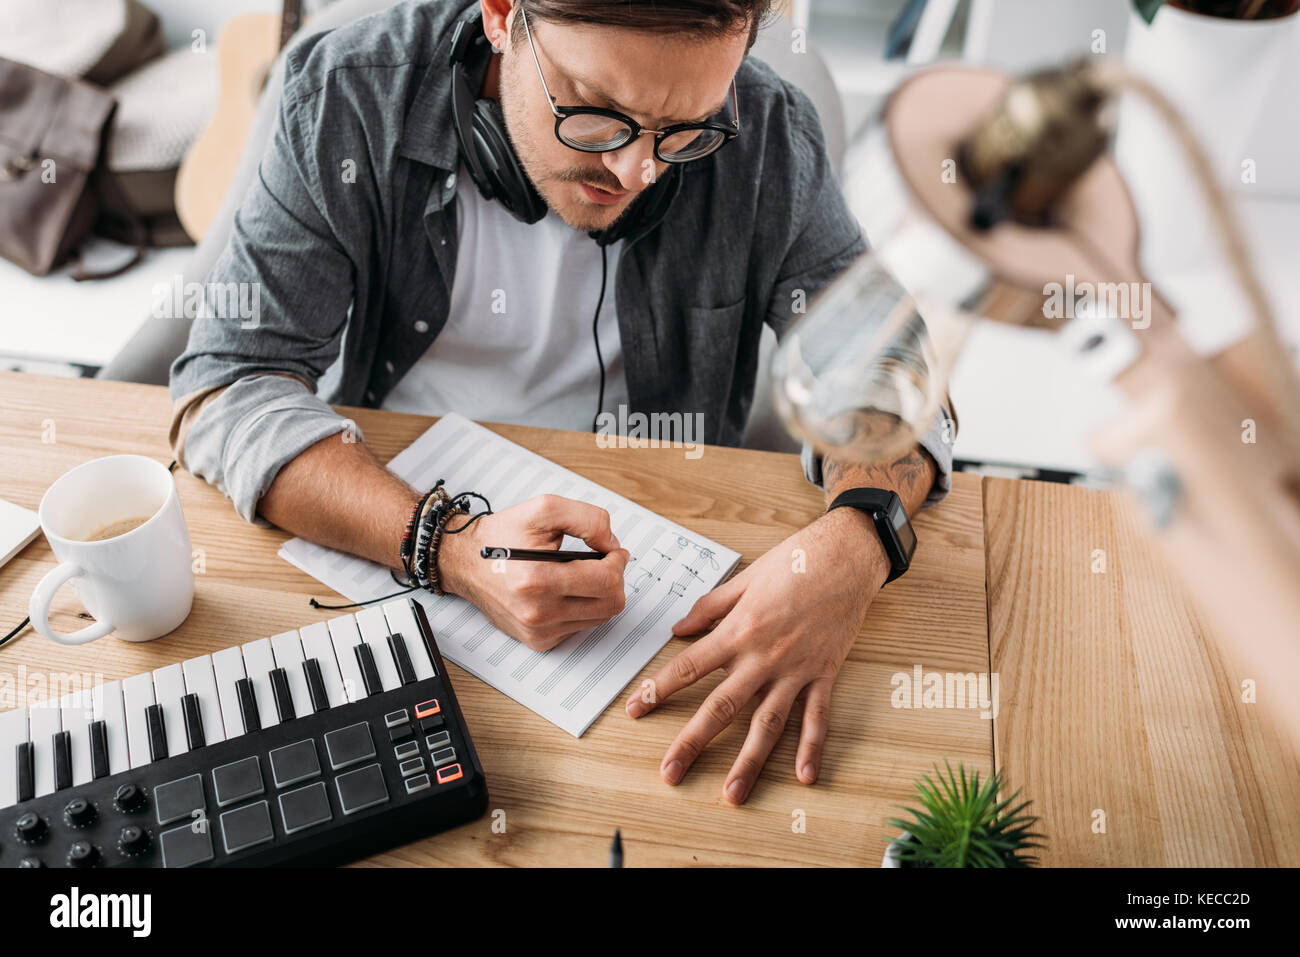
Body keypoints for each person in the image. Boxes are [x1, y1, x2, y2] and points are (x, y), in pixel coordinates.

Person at [169, 0, 954, 805]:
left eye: (684, 131)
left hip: (647, 615)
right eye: (596, 113)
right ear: (504, 15)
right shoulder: (348, 93)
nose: (637, 173)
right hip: (378, 546)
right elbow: (230, 384)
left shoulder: (768, 134)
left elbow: (894, 378)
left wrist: (859, 541)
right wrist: (446, 544)